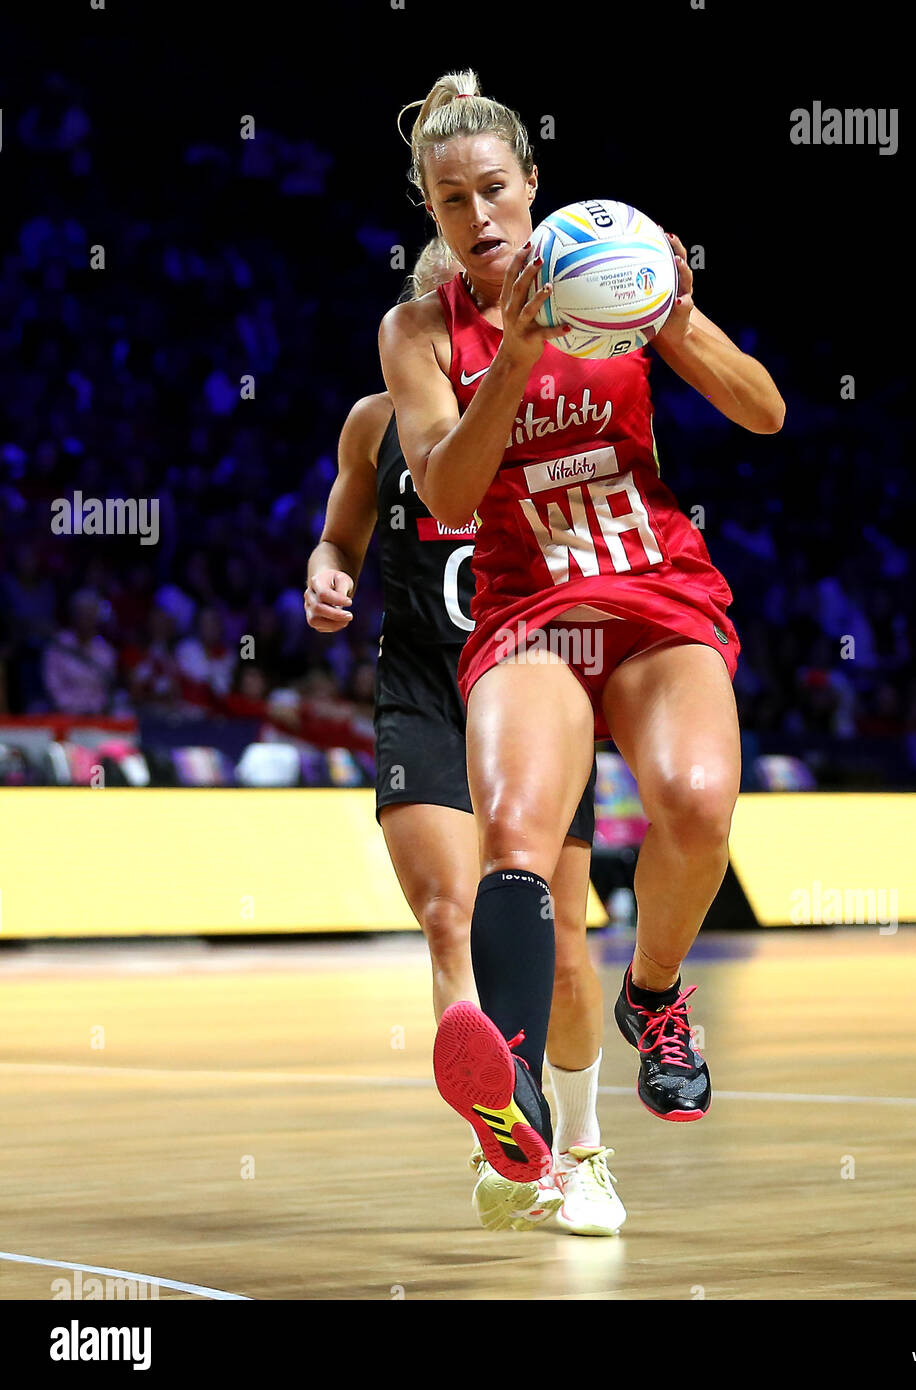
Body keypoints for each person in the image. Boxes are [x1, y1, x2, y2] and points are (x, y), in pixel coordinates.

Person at [379, 70, 785, 1183]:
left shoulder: (619, 271)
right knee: (512, 837)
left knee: (697, 804)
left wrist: (678, 314)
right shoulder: (419, 331)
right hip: (528, 609)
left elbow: (763, 411)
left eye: (494, 191)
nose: (478, 218)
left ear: (531, 183)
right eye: (452, 201)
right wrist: (514, 349)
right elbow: (452, 496)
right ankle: (507, 1093)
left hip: (655, 593)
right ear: (433, 211)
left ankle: (651, 995)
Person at [304, 240, 626, 1235]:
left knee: (564, 945)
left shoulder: (558, 407)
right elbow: (339, 536)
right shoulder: (375, 427)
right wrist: (325, 572)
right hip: (423, 689)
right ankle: (499, 1125)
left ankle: (580, 1153)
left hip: (531, 685)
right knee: (451, 914)